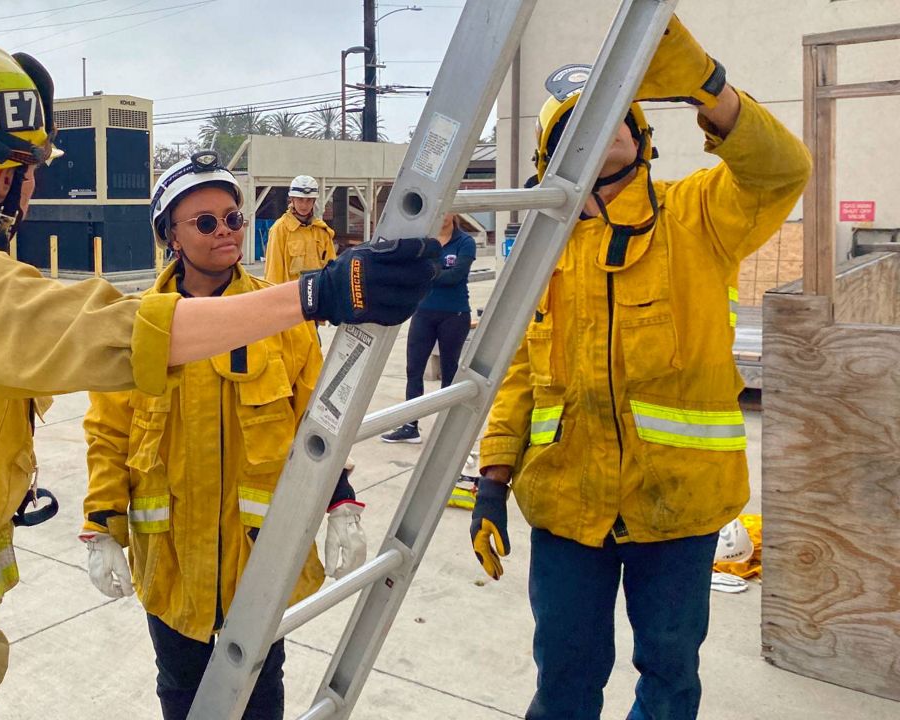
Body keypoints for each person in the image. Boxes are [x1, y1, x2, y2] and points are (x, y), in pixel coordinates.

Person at [0, 39, 438, 719]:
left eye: (232, 217)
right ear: (0, 177)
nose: (35, 188)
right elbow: (121, 338)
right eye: (31, 169)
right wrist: (317, 295)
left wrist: (338, 495)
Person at [467, 17, 810, 720]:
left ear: (642, 134)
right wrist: (492, 482)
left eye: (613, 114)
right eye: (572, 126)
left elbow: (783, 170)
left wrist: (708, 89)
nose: (600, 130)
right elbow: (519, 379)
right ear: (549, 158)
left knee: (670, 674)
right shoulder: (539, 256)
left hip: (678, 512)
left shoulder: (697, 214)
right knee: (563, 676)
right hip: (567, 512)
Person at [80, 159, 368, 720]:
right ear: (171, 235)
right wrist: (101, 526)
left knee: (260, 687)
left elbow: (317, 418)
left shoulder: (282, 319)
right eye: (205, 222)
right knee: (181, 688)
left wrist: (342, 503)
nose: (227, 231)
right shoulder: (136, 327)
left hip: (259, 555)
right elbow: (108, 433)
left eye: (233, 217)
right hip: (172, 562)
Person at [381, 212, 477, 444]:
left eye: (446, 210)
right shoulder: (427, 241)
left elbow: (456, 275)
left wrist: (426, 273)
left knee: (449, 370)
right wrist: (431, 273)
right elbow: (411, 270)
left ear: (454, 212)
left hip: (454, 315)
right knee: (414, 369)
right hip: (423, 313)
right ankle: (410, 425)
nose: (441, 215)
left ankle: (447, 429)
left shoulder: (465, 242)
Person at [264, 175, 337, 285]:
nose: (304, 205)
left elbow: (332, 271)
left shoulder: (322, 231)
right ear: (292, 199)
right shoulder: (279, 230)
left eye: (308, 200)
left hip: (318, 297)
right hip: (291, 297)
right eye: (300, 199)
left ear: (314, 201)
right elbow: (273, 273)